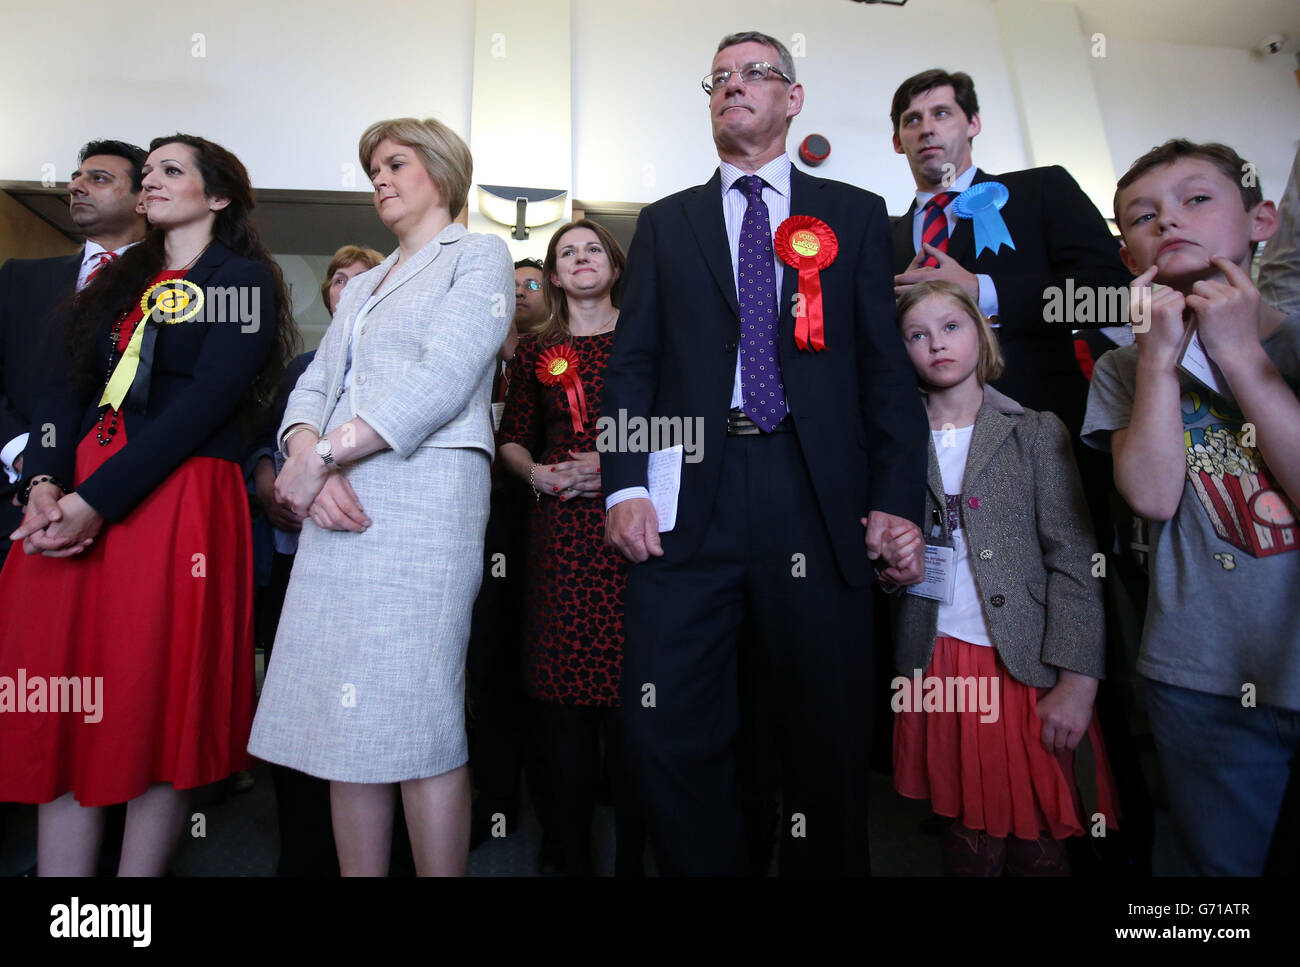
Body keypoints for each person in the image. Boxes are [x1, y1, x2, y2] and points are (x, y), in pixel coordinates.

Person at [602, 30, 928, 876]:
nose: (733, 86)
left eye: (755, 73)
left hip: (816, 495)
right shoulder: (665, 222)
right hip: (688, 497)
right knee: (666, 724)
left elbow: (885, 372)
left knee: (826, 730)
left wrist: (896, 495)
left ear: (793, 98)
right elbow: (632, 365)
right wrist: (623, 485)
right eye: (719, 77)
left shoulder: (855, 214)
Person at [0, 133, 294, 876]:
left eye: (171, 170)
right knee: (63, 690)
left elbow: (205, 403)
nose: (151, 182)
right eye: (149, 171)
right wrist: (44, 481)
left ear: (217, 196)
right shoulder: (122, 275)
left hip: (178, 492)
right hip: (77, 484)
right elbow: (63, 386)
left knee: (149, 691)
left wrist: (97, 501)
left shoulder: (242, 281)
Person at [247, 117, 513, 877]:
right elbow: (314, 384)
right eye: (373, 170)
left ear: (442, 170)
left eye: (395, 163)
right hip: (335, 503)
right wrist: (307, 454)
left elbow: (445, 375)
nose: (379, 180)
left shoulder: (479, 255)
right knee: (345, 718)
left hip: (425, 497)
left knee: (418, 708)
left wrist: (324, 456)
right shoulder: (364, 281)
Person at [1082, 139, 1300, 875]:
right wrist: (1155, 359)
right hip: (1198, 673)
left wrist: (1239, 353)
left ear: (1261, 220)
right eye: (1143, 217)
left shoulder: (1294, 342)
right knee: (1215, 871)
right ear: (1127, 256)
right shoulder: (1122, 366)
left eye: (1196, 200)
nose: (1168, 221)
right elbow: (1150, 494)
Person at [892, 280, 1120, 875]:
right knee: (967, 838)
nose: (936, 344)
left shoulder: (1035, 430)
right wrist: (890, 565)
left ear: (981, 331)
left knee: (1037, 843)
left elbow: (1074, 560)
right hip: (937, 658)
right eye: (916, 335)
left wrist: (1079, 680)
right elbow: (880, 554)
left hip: (1026, 662)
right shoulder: (894, 441)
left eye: (951, 327)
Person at [497, 218, 644, 876]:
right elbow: (512, 437)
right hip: (559, 533)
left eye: (593, 249)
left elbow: (684, 432)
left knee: (636, 700)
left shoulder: (648, 337)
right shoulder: (537, 349)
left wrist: (614, 468)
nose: (581, 258)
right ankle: (567, 854)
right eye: (567, 253)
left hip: (634, 527)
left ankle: (636, 855)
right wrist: (536, 474)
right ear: (554, 276)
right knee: (561, 704)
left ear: (614, 265)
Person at [246, 243, 382, 876]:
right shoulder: (301, 366)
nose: (345, 286)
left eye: (361, 278)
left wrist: (319, 474)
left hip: (366, 550)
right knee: (297, 699)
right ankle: (301, 851)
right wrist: (269, 483)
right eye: (337, 279)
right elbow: (262, 439)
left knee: (362, 705)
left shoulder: (389, 364)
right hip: (293, 553)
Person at [0, 140, 148, 540]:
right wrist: (27, 456)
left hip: (122, 502)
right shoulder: (20, 278)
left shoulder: (173, 288)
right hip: (12, 499)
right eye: (75, 178)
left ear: (142, 200)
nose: (75, 187)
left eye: (98, 179)